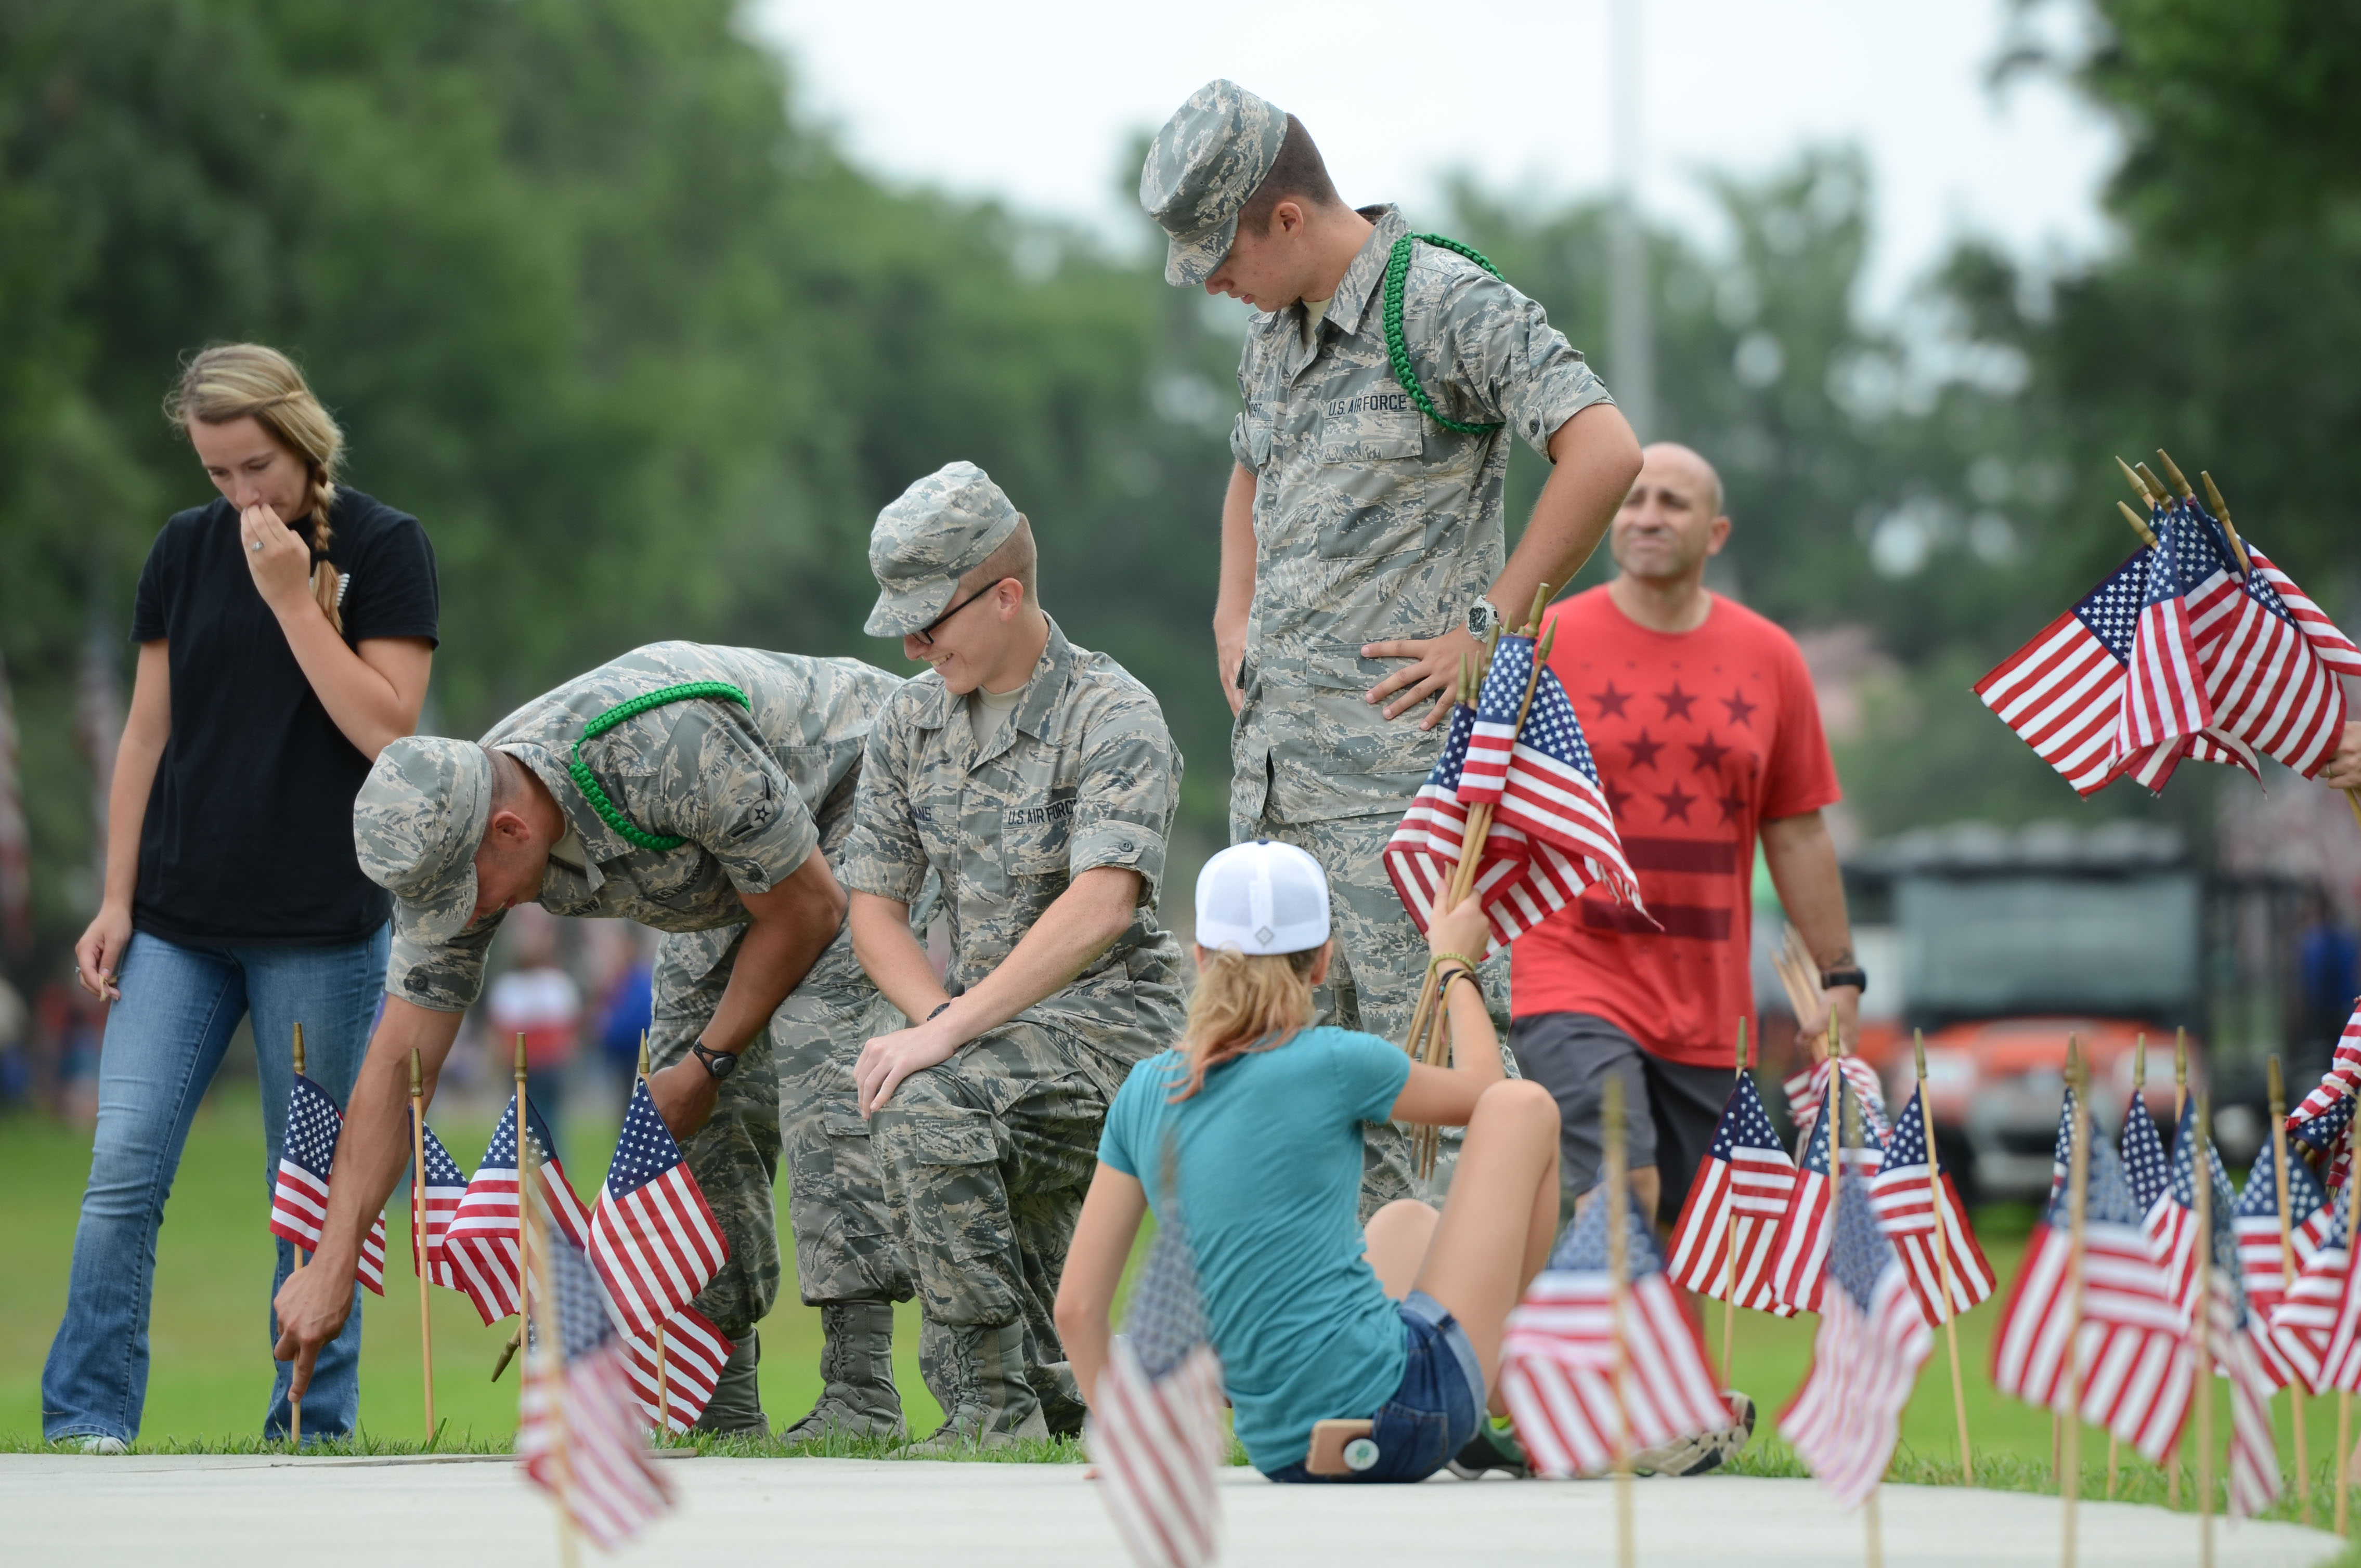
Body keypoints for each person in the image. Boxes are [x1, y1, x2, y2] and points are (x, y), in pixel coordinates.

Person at [1139, 82, 1642, 1211]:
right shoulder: (1272, 337)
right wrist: (1233, 614)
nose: (1213, 284)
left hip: (1399, 800)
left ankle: (1470, 1373)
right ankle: (1350, 1376)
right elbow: (1248, 469)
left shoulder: (1438, 301)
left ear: (1285, 217)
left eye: (1220, 254)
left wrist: (1488, 624)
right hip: (1281, 800)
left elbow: (1603, 449)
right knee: (1302, 1113)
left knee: (1443, 1112)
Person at [269, 642, 915, 1442]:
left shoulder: (662, 752)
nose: (466, 921)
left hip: (870, 793)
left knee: (822, 1055)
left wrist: (711, 1064)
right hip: (731, 869)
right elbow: (400, 1064)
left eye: (468, 899)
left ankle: (860, 1392)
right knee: (674, 1108)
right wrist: (333, 1261)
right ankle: (723, 1396)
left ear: (509, 829)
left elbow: (811, 907)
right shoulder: (452, 832)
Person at [44, 344, 438, 1449]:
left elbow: (388, 730)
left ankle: (308, 1423)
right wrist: (114, 896)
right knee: (122, 1165)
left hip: (320, 925)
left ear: (302, 438)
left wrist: (291, 601)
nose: (238, 495)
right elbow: (144, 731)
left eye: (254, 466)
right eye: (218, 473)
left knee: (312, 1191)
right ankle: (86, 1419)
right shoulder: (181, 549)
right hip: (176, 920)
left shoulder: (385, 546)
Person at [844, 460, 1186, 1448]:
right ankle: (1049, 1393)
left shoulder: (1111, 712)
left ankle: (993, 1411)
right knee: (901, 1083)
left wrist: (946, 1035)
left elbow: (1102, 907)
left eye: (931, 621)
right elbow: (875, 910)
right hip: (990, 1026)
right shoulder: (911, 721)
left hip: (1118, 1024)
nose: (914, 645)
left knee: (926, 1106)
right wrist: (931, 1027)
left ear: (1007, 596)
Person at [1055, 840, 1561, 1482]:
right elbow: (1490, 1094)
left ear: (1203, 958)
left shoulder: (1144, 1090)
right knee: (1527, 1106)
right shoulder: (1336, 1059)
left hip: (1285, 1451)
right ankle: (1499, 1395)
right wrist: (1455, 963)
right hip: (1406, 1415)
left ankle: (1478, 1395)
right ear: (1323, 962)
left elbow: (1075, 1309)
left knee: (1404, 1221)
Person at [1511, 442, 1860, 1231]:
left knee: (1700, 1241)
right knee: (1621, 1196)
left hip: (1710, 1004)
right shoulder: (1543, 643)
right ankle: (1593, 1357)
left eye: (1672, 503)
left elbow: (1798, 832)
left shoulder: (1772, 658)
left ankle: (1669, 1363)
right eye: (1631, 501)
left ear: (1717, 533)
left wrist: (1842, 976)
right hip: (1573, 977)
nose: (1647, 517)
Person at [483, 904, 582, 1132]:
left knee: (549, 1125)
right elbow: (497, 1035)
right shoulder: (509, 987)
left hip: (550, 1068)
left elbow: (572, 1033)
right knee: (523, 1126)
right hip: (520, 1068)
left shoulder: (558, 984)